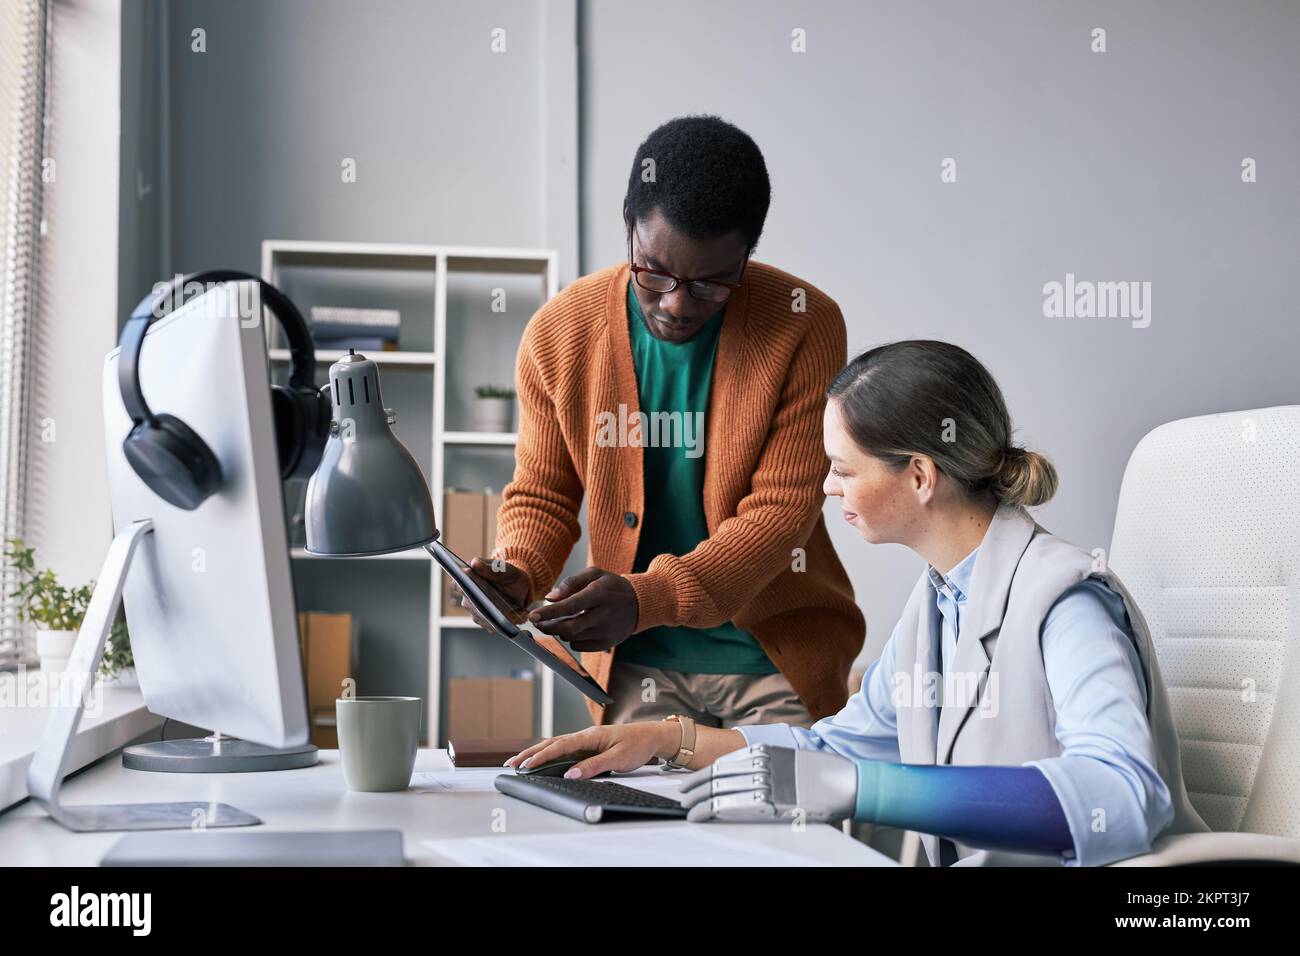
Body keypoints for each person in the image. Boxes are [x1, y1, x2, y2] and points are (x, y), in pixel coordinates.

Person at [506, 340, 1209, 866]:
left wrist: (864, 788)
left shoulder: (1066, 602)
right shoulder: (938, 601)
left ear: (922, 475)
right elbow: (829, 751)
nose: (829, 490)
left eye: (842, 470)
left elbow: (1120, 796)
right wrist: (666, 741)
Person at [465, 115, 865, 728]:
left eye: (711, 283)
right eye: (654, 271)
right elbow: (545, 493)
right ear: (630, 226)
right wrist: (515, 570)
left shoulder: (804, 324)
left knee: (780, 823)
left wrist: (649, 596)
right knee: (636, 823)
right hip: (634, 667)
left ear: (746, 257)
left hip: (772, 664)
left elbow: (781, 513)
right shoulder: (559, 332)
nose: (677, 303)